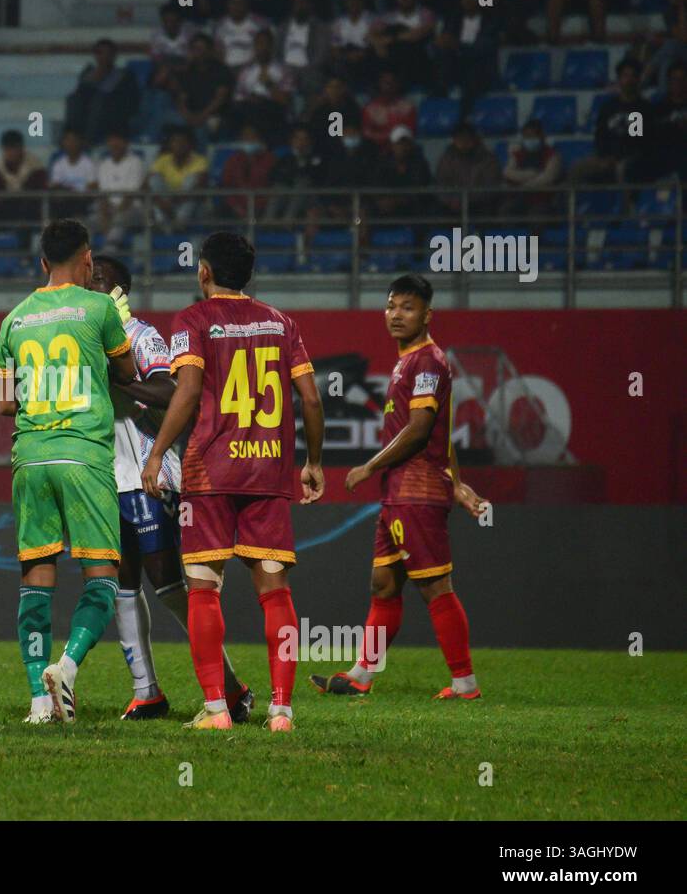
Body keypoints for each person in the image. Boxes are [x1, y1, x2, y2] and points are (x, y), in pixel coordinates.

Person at [142, 232, 325, 731]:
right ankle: (282, 710)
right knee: (274, 589)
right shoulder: (282, 322)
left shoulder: (193, 320)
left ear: (204, 272)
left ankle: (218, 710)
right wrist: (311, 461)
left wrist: (157, 452)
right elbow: (310, 399)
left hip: (210, 471)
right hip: (267, 470)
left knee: (203, 587)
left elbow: (189, 389)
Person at [87, 255, 255, 722]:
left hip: (146, 474)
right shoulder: (87, 342)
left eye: (99, 280)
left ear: (120, 290)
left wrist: (123, 382)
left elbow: (170, 390)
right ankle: (147, 692)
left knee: (167, 584)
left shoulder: (142, 337)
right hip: (105, 479)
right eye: (87, 279)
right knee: (120, 584)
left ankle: (230, 688)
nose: (90, 286)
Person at [312, 274, 488, 701]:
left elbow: (420, 429)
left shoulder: (427, 361)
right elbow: (442, 433)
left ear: (427, 314)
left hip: (417, 492)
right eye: (392, 305)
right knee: (384, 584)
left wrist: (368, 466)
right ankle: (361, 676)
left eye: (407, 307)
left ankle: (465, 683)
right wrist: (460, 484)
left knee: (434, 587)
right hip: (399, 493)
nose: (396, 314)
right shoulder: (407, 361)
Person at [0, 218, 138, 723]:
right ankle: (68, 667)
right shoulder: (100, 308)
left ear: (41, 264)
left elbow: (4, 405)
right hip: (83, 456)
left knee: (36, 575)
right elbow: (128, 374)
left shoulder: (13, 319)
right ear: (87, 260)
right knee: (101, 577)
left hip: (30, 456)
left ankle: (38, 699)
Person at [570, 58, 653, 185]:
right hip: (606, 157)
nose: (629, 80)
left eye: (633, 76)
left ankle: (625, 205)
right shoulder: (608, 108)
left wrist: (618, 158)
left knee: (622, 169)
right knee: (577, 168)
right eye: (625, 76)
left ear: (638, 79)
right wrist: (605, 157)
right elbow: (600, 136)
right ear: (619, 79)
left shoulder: (643, 108)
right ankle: (571, 204)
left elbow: (639, 142)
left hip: (633, 160)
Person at [434, 0, 500, 115]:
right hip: (456, 64)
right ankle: (439, 99)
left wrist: (457, 45)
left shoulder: (490, 21)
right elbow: (446, 40)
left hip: (480, 67)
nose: (467, 0)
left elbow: (483, 48)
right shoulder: (454, 20)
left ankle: (463, 116)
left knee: (472, 78)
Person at [64, 38, 139, 146]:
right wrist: (95, 78)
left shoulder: (124, 75)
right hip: (89, 114)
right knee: (73, 99)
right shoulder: (88, 73)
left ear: (114, 55)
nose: (103, 56)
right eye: (99, 53)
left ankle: (88, 141)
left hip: (115, 116)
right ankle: (71, 137)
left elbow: (130, 103)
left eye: (107, 53)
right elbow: (81, 94)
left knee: (99, 101)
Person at [231, 28, 294, 145]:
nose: (263, 48)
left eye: (266, 44)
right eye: (259, 44)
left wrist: (269, 84)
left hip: (273, 112)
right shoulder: (246, 70)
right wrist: (250, 98)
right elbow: (237, 99)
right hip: (250, 111)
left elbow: (285, 101)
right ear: (254, 46)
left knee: (264, 108)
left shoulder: (284, 70)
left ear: (272, 47)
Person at [168, 32, 233, 146]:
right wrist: (187, 115)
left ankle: (201, 161)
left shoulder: (221, 70)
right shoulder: (188, 71)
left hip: (215, 116)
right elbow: (181, 99)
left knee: (201, 128)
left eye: (201, 49)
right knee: (167, 118)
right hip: (192, 114)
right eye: (194, 49)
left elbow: (220, 99)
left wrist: (201, 117)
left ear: (210, 51)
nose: (197, 52)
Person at [369, 0, 436, 90]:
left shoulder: (425, 13)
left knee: (403, 42)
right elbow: (370, 34)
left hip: (417, 56)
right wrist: (378, 43)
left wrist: (392, 38)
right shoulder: (389, 16)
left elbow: (419, 34)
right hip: (391, 56)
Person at [148, 125, 208, 233]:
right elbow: (145, 185)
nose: (179, 145)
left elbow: (199, 187)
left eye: (183, 142)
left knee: (191, 181)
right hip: (166, 202)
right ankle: (163, 225)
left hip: (188, 203)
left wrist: (172, 202)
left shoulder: (199, 160)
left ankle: (178, 225)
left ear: (190, 144)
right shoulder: (163, 160)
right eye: (175, 141)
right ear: (170, 144)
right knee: (154, 180)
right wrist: (161, 202)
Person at [434, 121, 501, 217]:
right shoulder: (447, 159)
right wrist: (452, 200)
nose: (463, 142)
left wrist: (466, 200)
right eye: (460, 138)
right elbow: (440, 184)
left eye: (467, 138)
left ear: (473, 138)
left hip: (479, 204)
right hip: (452, 205)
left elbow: (491, 187)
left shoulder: (487, 158)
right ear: (454, 139)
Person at [95, 128, 147, 248]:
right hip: (111, 209)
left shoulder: (135, 162)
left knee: (119, 219)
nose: (115, 144)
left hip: (134, 209)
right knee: (85, 222)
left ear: (126, 143)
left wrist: (112, 215)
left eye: (119, 141)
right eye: (111, 141)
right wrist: (103, 213)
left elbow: (130, 197)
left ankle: (109, 251)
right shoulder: (104, 164)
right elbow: (104, 196)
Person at [266, 121, 325, 223]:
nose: (301, 142)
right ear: (292, 141)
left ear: (309, 141)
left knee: (302, 183)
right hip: (287, 193)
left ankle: (287, 221)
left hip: (310, 196)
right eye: (298, 138)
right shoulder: (284, 159)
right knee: (279, 188)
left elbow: (316, 177)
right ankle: (267, 222)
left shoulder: (316, 158)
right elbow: (275, 176)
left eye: (304, 139)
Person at [501, 118, 562, 218]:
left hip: (543, 201)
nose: (529, 140)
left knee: (537, 215)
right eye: (526, 137)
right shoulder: (518, 153)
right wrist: (532, 174)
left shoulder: (552, 155)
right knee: (506, 210)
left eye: (533, 136)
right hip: (520, 198)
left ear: (541, 136)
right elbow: (508, 172)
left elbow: (547, 178)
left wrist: (523, 185)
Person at [277, 0, 330, 97]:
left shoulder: (321, 28)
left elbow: (321, 56)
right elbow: (276, 54)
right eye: (297, 3)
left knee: (313, 81)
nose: (300, 6)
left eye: (303, 2)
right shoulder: (282, 28)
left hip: (310, 72)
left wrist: (301, 71)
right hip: (285, 71)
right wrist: (286, 70)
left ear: (310, 5)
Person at [218, 122, 277, 219]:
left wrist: (258, 204)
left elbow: (272, 186)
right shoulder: (233, 160)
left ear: (260, 140)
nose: (249, 140)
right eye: (245, 137)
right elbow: (226, 186)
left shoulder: (270, 159)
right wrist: (237, 207)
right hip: (237, 205)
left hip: (261, 205)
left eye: (252, 137)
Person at [374, 125, 432, 219]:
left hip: (413, 209)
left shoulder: (420, 164)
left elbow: (421, 190)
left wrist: (398, 200)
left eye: (405, 143)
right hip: (387, 209)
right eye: (399, 144)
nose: (402, 147)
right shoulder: (383, 164)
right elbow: (377, 187)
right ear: (392, 146)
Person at [329, 0, 377, 90]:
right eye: (350, 0)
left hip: (366, 55)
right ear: (346, 3)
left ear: (363, 2)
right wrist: (347, 56)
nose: (354, 3)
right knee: (337, 64)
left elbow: (375, 43)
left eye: (357, 0)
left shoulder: (372, 19)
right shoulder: (338, 23)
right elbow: (334, 49)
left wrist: (361, 54)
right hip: (345, 56)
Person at [48, 127, 97, 219]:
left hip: (82, 205)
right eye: (68, 140)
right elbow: (55, 188)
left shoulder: (89, 164)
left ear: (80, 142)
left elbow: (91, 189)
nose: (71, 144)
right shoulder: (58, 164)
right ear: (63, 142)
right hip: (64, 204)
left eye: (74, 140)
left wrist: (73, 193)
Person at [214, 0, 268, 72]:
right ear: (228, 5)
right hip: (227, 70)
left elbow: (264, 50)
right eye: (233, 3)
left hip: (252, 69)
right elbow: (218, 53)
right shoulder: (220, 25)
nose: (236, 7)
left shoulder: (260, 24)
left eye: (240, 3)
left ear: (247, 5)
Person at [361, 70, 416, 148]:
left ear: (397, 84)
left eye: (392, 82)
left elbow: (409, 133)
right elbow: (366, 133)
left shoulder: (408, 108)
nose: (389, 86)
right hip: (376, 151)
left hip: (402, 150)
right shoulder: (370, 109)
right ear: (379, 84)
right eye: (385, 82)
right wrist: (387, 136)